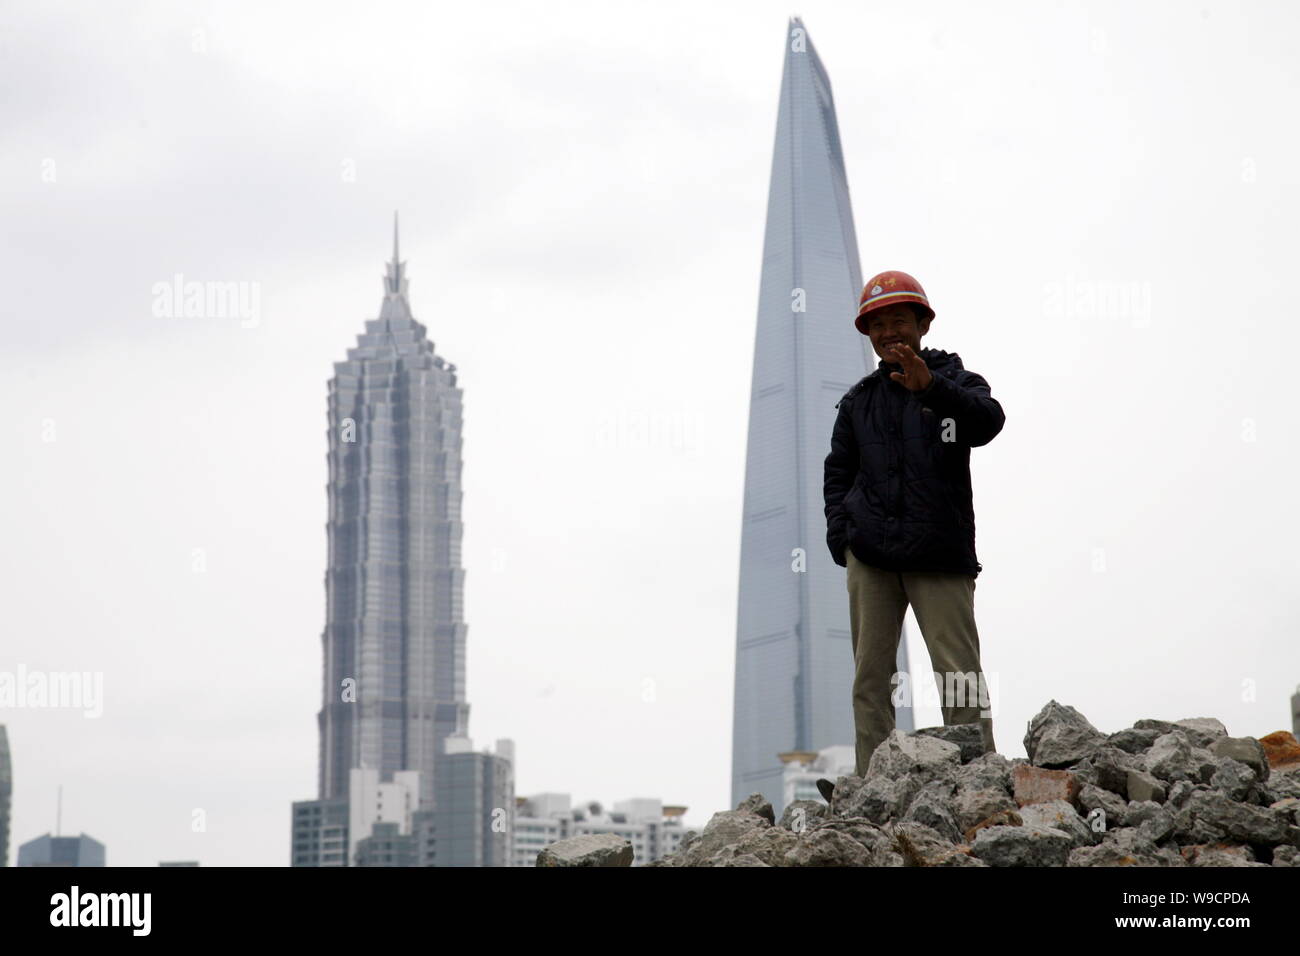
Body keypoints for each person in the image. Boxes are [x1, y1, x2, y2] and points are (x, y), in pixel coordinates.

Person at [816, 270, 1005, 803]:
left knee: (957, 671)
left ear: (923, 323)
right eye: (877, 323)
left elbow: (988, 424)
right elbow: (838, 473)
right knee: (870, 677)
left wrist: (932, 388)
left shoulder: (957, 382)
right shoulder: (858, 402)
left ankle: (978, 780)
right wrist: (843, 540)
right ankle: (875, 785)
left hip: (939, 553)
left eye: (899, 318)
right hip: (871, 555)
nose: (888, 330)